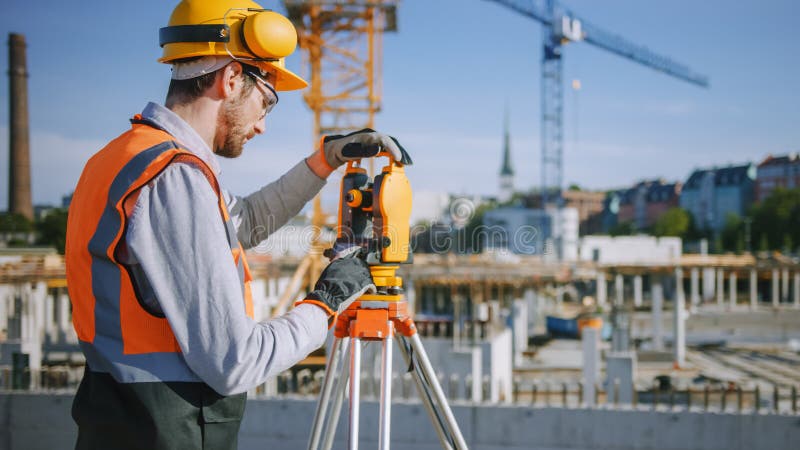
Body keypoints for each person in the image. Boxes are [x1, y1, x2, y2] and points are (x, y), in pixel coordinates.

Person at [64, 1, 409, 449]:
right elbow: (234, 361)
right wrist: (326, 302)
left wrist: (324, 161)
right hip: (167, 429)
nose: (262, 126)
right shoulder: (175, 177)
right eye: (266, 102)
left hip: (120, 417)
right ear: (230, 79)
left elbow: (242, 222)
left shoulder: (127, 156)